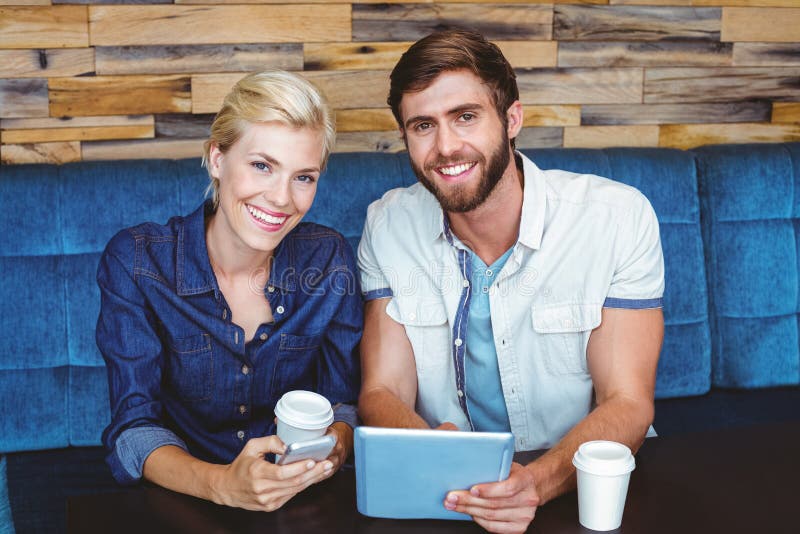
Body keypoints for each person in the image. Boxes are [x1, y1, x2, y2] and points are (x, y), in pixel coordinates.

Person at [357, 29, 664, 533]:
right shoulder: (387, 224)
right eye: (423, 125)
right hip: (450, 490)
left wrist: (536, 482)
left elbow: (628, 402)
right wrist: (439, 457)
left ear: (512, 119)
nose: (445, 146)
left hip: (584, 486)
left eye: (466, 116)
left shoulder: (617, 219)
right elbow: (382, 388)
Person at [96, 70, 362, 512]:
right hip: (182, 498)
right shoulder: (139, 261)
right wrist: (224, 485)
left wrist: (332, 450)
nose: (282, 198)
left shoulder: (328, 259)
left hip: (300, 496)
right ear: (217, 159)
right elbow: (133, 429)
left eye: (304, 177)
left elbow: (343, 405)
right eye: (262, 166)